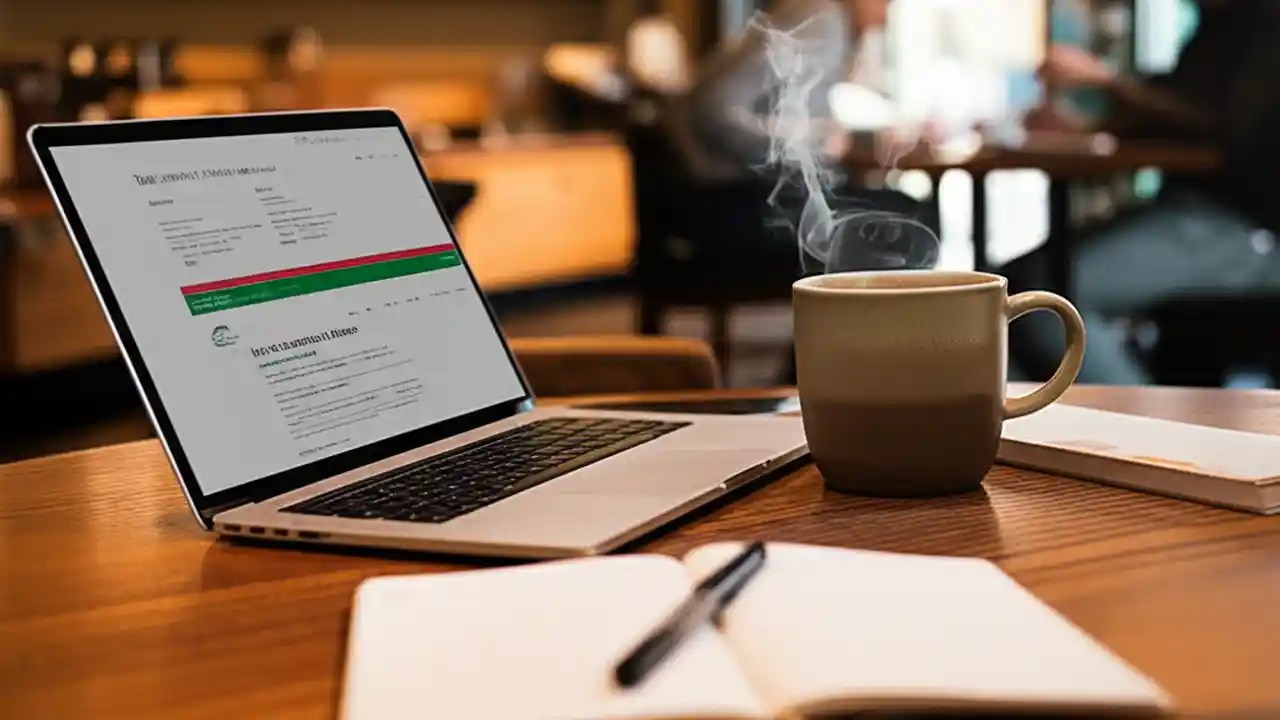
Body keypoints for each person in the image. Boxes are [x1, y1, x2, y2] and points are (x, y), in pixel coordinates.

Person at [1003, 0, 1280, 385]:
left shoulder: (1265, 26)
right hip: (1194, 211)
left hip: (1245, 226)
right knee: (1013, 285)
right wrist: (1082, 127)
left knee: (1044, 296)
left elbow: (1222, 124)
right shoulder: (1216, 30)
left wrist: (1104, 82)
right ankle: (1028, 432)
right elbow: (1176, 116)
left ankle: (1145, 433)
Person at [666, 0, 936, 276]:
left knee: (900, 210)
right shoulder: (822, 20)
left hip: (728, 197)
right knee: (912, 222)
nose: (888, 12)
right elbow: (714, 111)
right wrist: (819, 144)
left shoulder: (820, 15)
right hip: (730, 205)